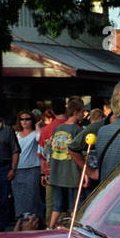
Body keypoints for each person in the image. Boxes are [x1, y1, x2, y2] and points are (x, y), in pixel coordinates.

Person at [47, 97, 87, 228]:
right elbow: (82, 153)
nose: (84, 114)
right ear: (76, 112)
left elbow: (50, 150)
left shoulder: (58, 128)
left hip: (57, 173)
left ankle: (50, 228)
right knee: (73, 206)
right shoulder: (78, 130)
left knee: (57, 206)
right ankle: (72, 230)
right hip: (72, 174)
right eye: (82, 111)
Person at [12, 109, 43, 222]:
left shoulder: (35, 133)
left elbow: (40, 140)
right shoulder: (16, 134)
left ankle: (34, 220)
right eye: (22, 119)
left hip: (32, 168)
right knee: (18, 197)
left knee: (32, 196)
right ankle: (20, 220)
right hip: (18, 169)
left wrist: (38, 127)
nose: (24, 121)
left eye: (27, 119)